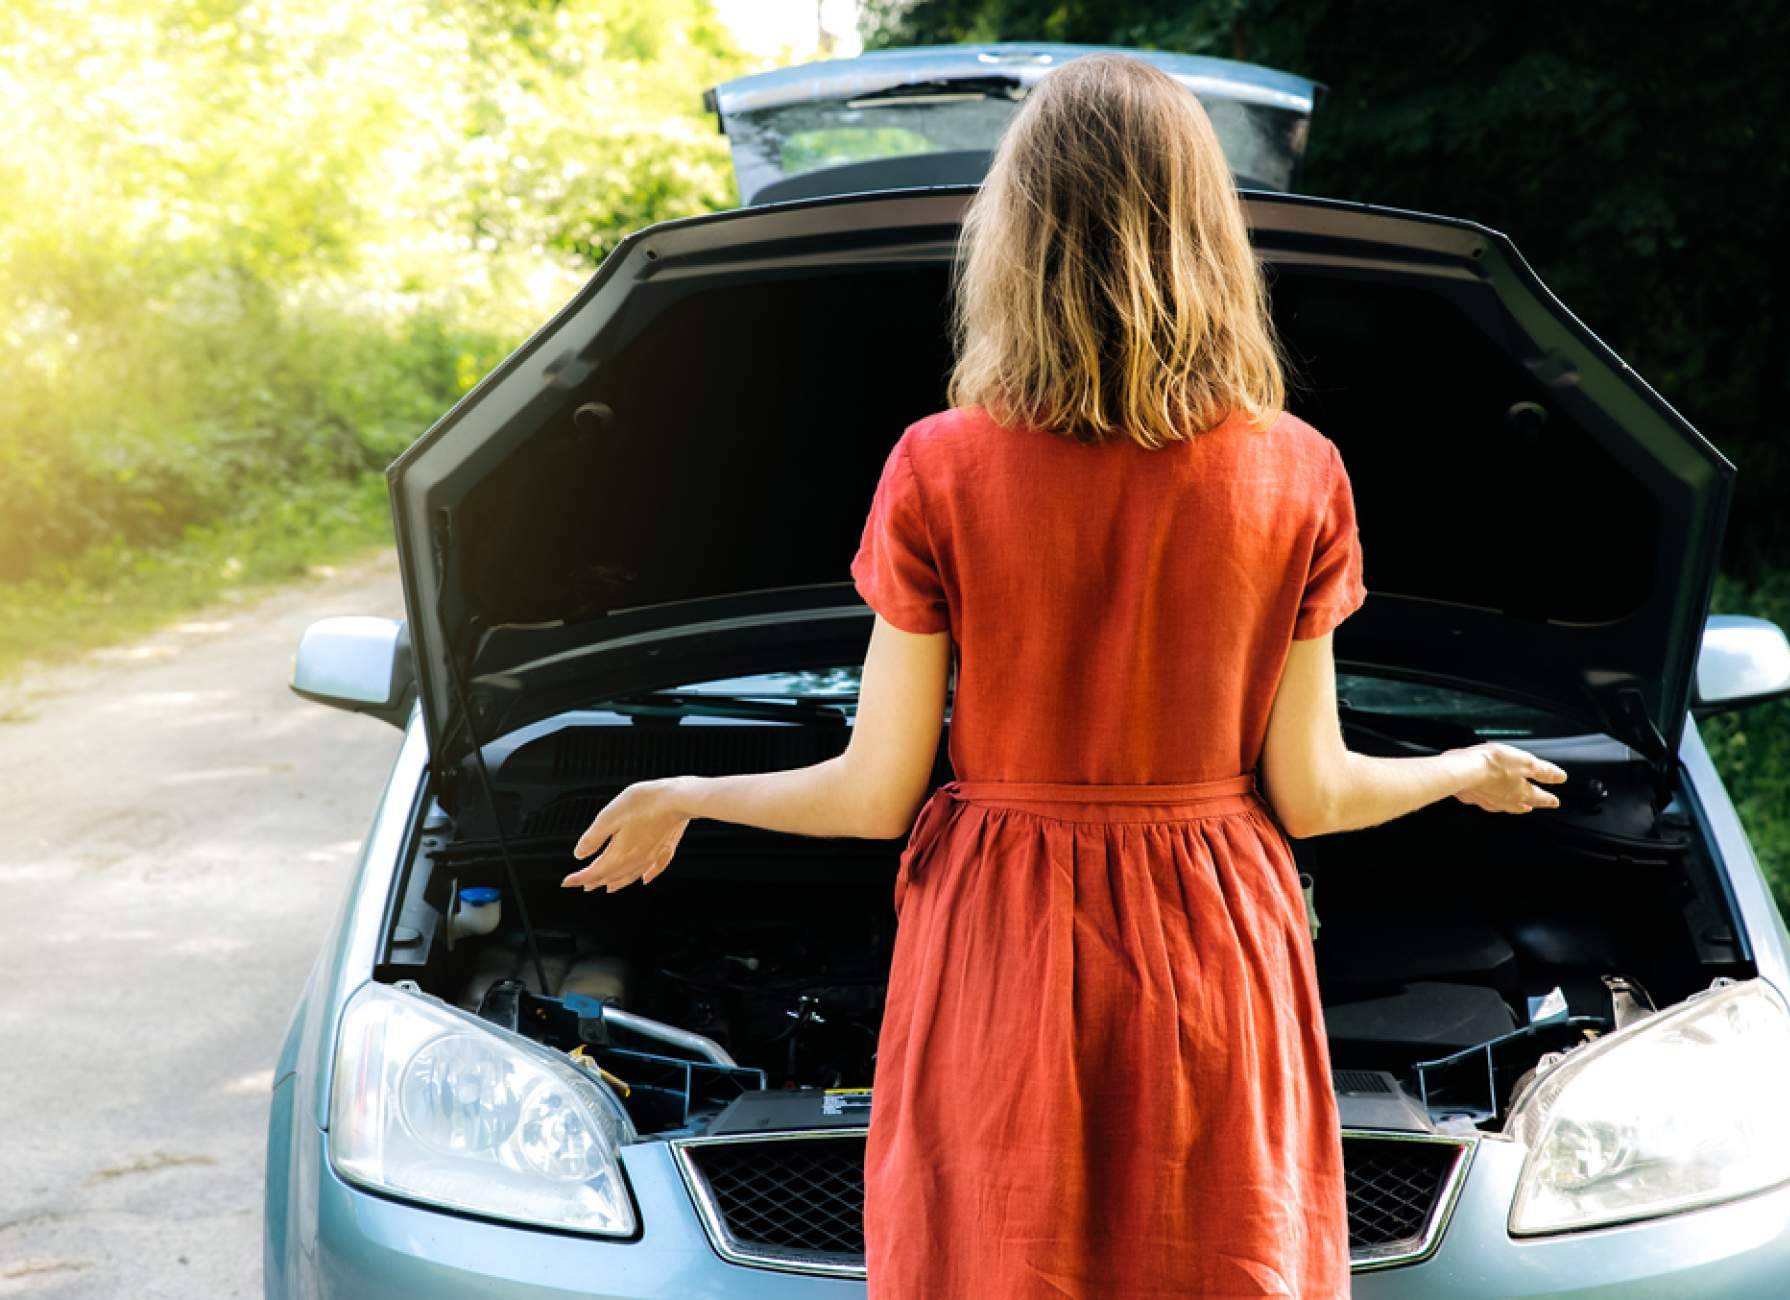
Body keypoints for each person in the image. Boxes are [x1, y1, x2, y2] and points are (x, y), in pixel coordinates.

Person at [563, 51, 1567, 1300]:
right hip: (1217, 944)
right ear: (1207, 230)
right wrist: (1460, 769)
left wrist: (691, 789)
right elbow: (1311, 794)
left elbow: (875, 793)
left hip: (1003, 938)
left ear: (1018, 234)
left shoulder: (937, 468)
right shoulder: (1300, 472)